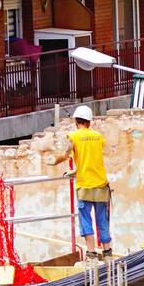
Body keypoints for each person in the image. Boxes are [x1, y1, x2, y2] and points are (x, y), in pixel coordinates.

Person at [53, 105, 113, 260]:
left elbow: (65, 155)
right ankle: (107, 251)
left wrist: (54, 162)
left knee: (85, 219)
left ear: (76, 121)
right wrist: (76, 170)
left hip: (84, 186)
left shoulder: (73, 137)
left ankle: (91, 252)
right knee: (102, 219)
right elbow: (92, 160)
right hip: (101, 184)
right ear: (89, 122)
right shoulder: (98, 137)